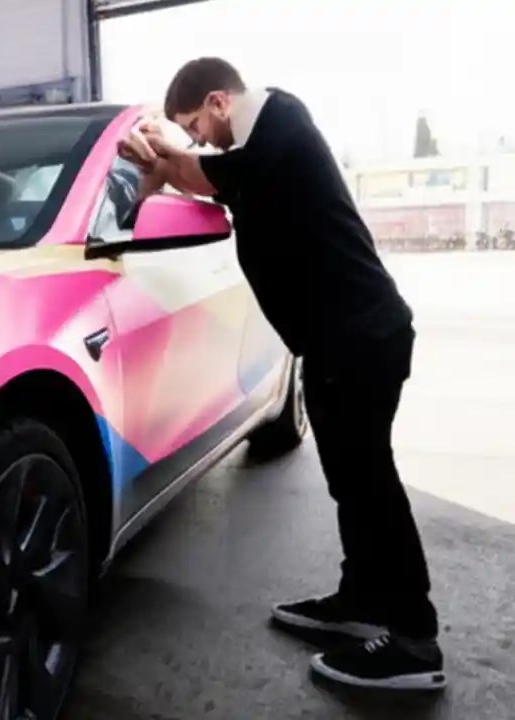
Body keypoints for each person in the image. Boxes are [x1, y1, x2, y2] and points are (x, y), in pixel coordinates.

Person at [118, 58, 445, 691]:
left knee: (370, 483)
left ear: (219, 101)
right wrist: (169, 171)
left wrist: (163, 156)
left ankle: (412, 639)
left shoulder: (280, 122)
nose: (200, 139)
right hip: (337, 344)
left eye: (195, 125)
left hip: (361, 339)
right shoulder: (262, 148)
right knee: (351, 482)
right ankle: (361, 601)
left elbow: (205, 173)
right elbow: (209, 178)